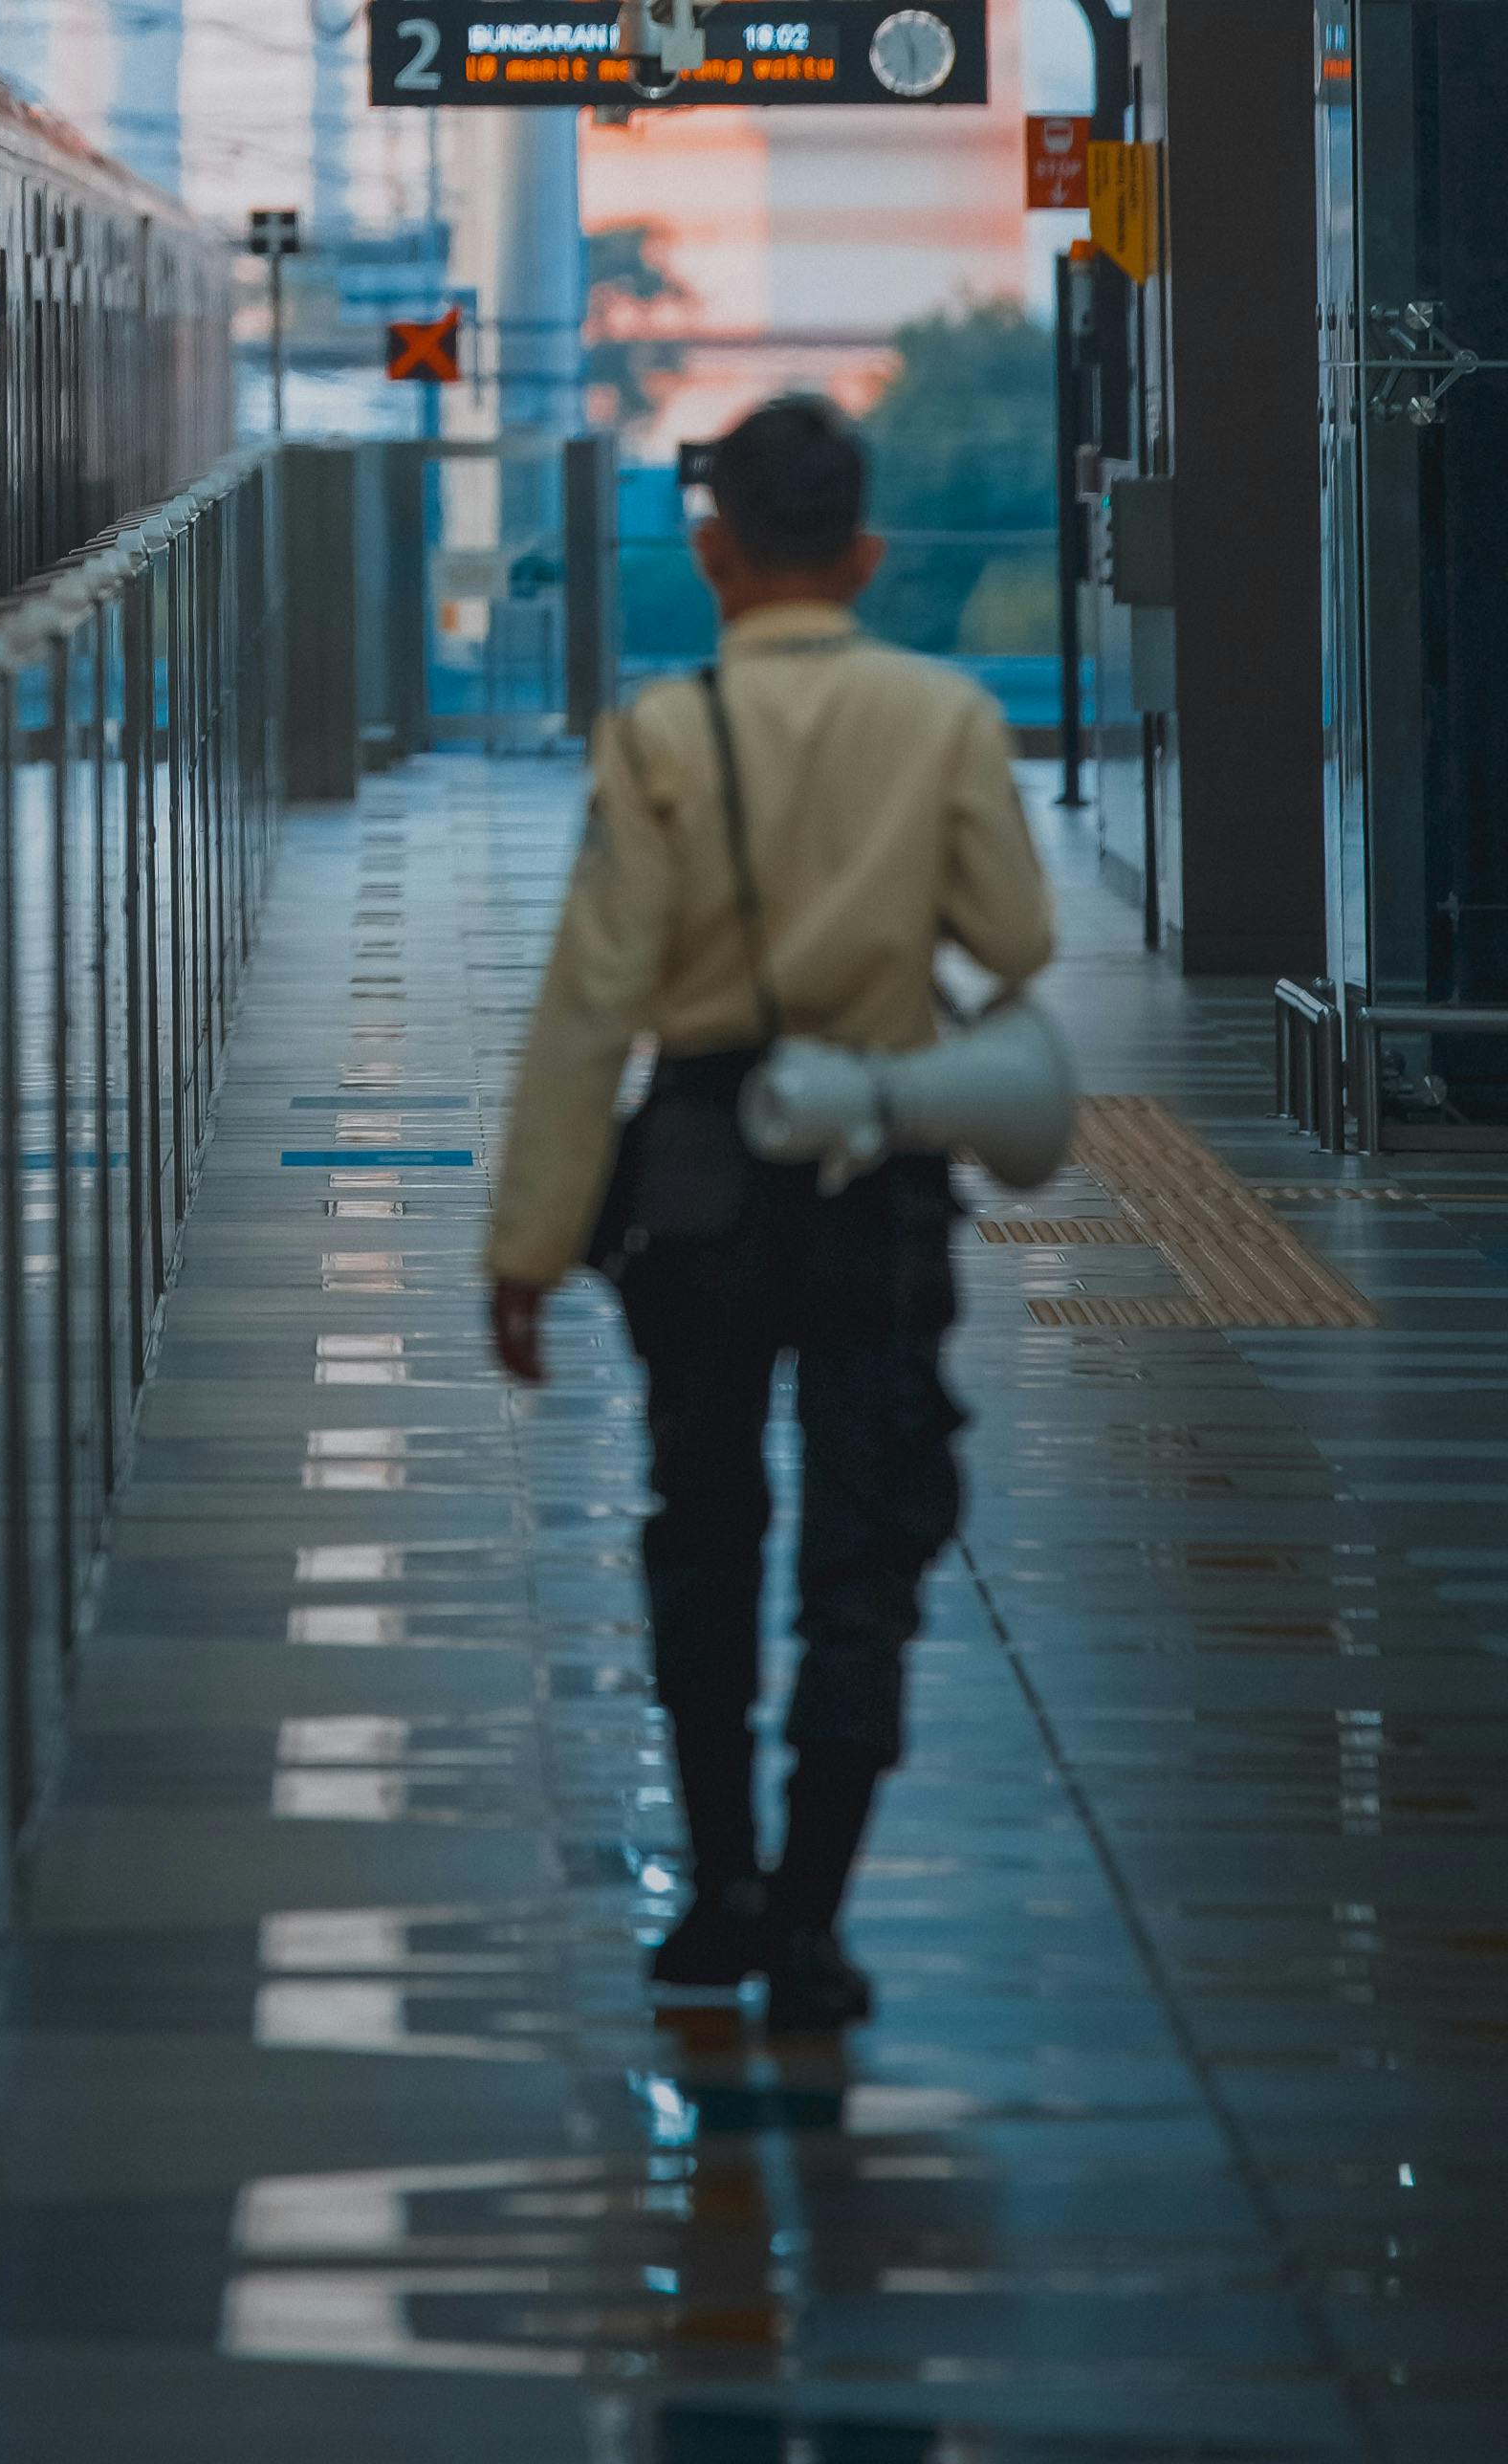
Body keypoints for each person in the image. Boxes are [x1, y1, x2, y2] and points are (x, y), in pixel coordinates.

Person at [479, 389, 1053, 2027]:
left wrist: (527, 1247)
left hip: (702, 1171)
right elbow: (1015, 943)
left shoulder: (662, 736)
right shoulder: (943, 718)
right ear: (869, 553)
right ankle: (814, 1912)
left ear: (712, 547)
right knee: (869, 1531)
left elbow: (590, 1009)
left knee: (703, 1520)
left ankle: (715, 1888)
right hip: (879, 1167)